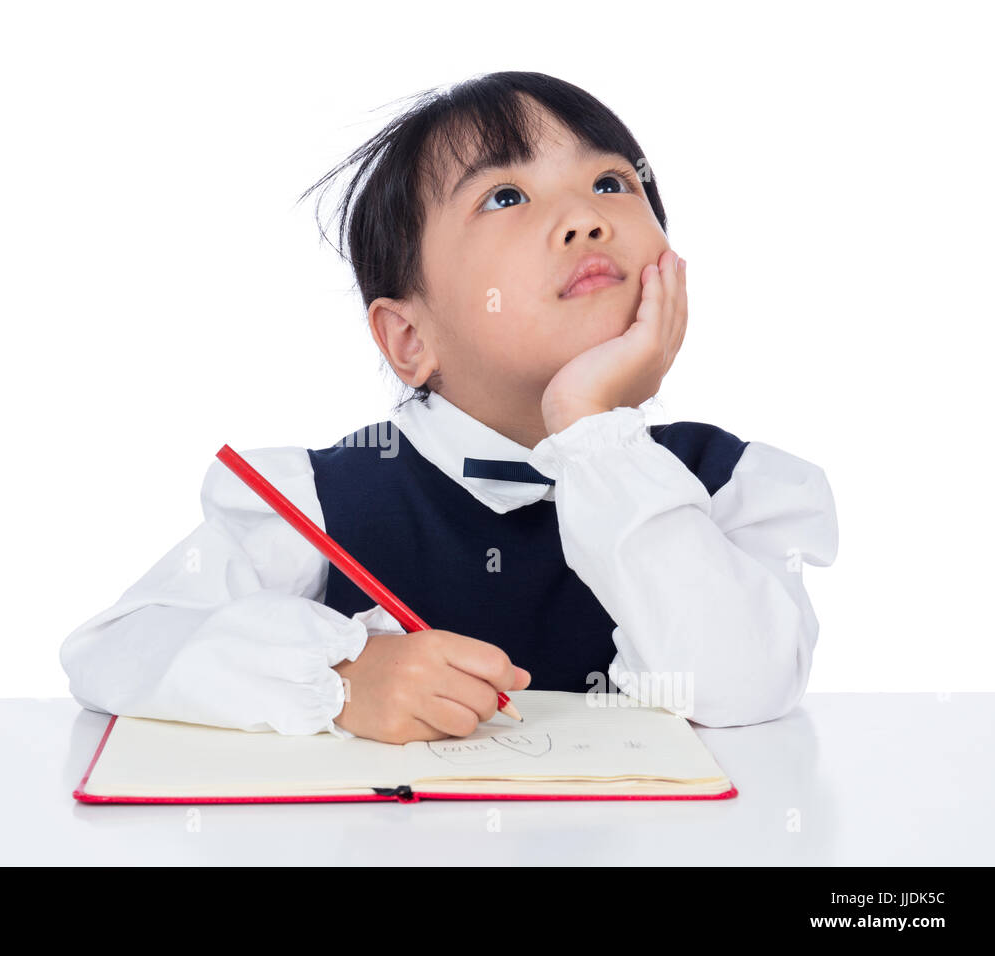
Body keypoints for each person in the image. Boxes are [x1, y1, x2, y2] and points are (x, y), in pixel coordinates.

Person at [59, 70, 838, 744]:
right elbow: (117, 648)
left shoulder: (728, 487)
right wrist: (342, 675)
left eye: (612, 183)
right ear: (408, 338)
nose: (588, 217)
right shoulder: (319, 503)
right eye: (505, 196)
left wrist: (593, 428)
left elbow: (741, 686)